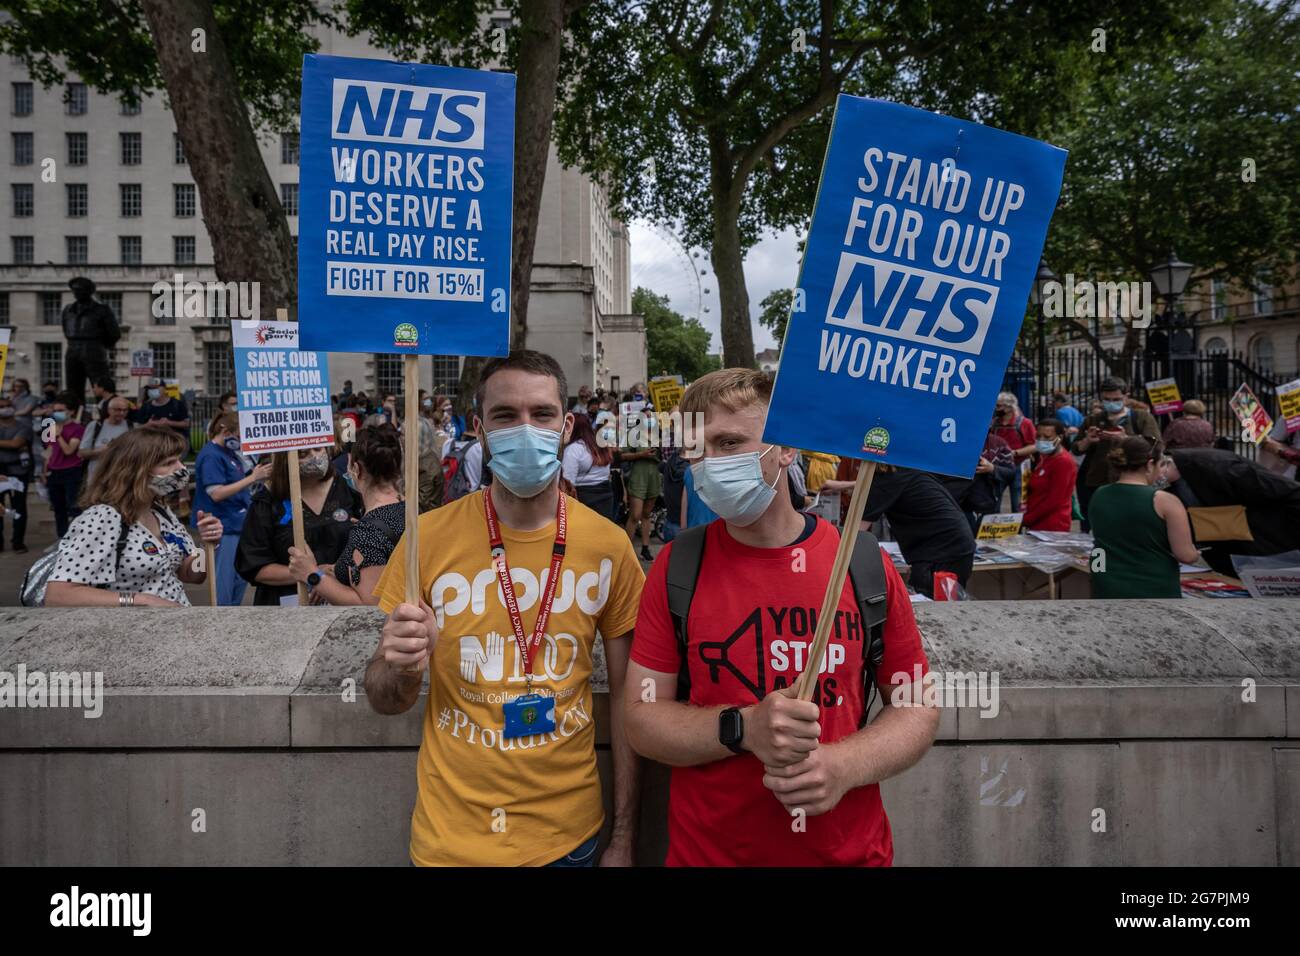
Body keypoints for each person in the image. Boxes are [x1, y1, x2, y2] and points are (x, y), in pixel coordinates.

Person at [623, 367, 937, 866]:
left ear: (787, 448)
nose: (709, 464)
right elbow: (641, 719)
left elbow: (918, 705)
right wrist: (742, 729)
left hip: (849, 854)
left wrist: (843, 765)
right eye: (697, 451)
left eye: (729, 443)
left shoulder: (861, 563)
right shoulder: (677, 566)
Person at [365, 349, 645, 867]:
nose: (525, 428)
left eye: (541, 414)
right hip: (448, 842)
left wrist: (624, 837)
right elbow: (386, 699)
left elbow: (630, 700)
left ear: (565, 426)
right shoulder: (425, 539)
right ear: (480, 428)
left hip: (570, 839)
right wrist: (399, 667)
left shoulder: (609, 546)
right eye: (505, 415)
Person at [45, 427, 222, 607]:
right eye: (169, 463)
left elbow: (192, 576)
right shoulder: (102, 518)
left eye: (178, 460)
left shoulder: (162, 512)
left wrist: (205, 546)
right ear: (135, 471)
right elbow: (58, 595)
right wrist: (140, 600)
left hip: (175, 627)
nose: (181, 468)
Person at [287, 424, 404, 606]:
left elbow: (368, 604)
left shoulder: (369, 532)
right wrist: (336, 570)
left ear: (356, 469)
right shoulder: (408, 508)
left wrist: (311, 574)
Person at [234, 444, 361, 606]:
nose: (314, 457)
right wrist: (311, 574)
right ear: (285, 460)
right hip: (285, 608)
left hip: (342, 601)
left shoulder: (347, 488)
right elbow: (254, 566)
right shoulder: (267, 502)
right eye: (303, 453)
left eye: (318, 449)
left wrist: (335, 573)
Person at [827, 465, 976, 599]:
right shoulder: (900, 471)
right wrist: (840, 486)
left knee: (928, 607)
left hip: (942, 553)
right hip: (952, 546)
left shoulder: (885, 478)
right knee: (934, 603)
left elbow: (854, 533)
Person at [1163, 446, 1300, 577]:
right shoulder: (1167, 487)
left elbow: (1287, 490)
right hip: (1231, 557)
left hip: (1271, 545)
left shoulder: (1217, 466)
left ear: (1152, 465)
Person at [1088, 437, 1198, 599]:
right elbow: (1186, 555)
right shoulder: (1166, 501)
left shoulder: (1099, 494)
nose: (1162, 471)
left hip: (1107, 582)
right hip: (1153, 586)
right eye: (1162, 464)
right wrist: (1196, 553)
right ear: (1149, 464)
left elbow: (1100, 542)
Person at [193, 412, 272, 606]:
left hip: (236, 524)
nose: (240, 440)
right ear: (225, 431)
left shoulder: (229, 454)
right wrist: (253, 477)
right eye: (238, 435)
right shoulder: (211, 455)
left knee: (238, 580)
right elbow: (217, 493)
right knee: (224, 584)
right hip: (223, 526)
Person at [1073, 377, 1161, 530]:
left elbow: (1156, 446)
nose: (1111, 402)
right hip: (1096, 480)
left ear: (1126, 396)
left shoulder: (1141, 417)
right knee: (1094, 522)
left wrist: (1126, 439)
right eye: (1107, 399)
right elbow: (1076, 448)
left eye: (1116, 399)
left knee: (1125, 524)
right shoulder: (1093, 419)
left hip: (1130, 480)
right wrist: (1088, 440)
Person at [61, 276, 121, 403]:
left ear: (89, 291)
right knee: (73, 388)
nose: (76, 293)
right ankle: (76, 418)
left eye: (80, 290)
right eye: (74, 290)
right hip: (72, 349)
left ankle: (104, 416)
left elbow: (114, 333)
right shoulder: (68, 310)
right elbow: (66, 329)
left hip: (93, 349)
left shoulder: (101, 310)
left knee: (102, 386)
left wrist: (100, 346)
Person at [42, 392, 86, 538]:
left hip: (71, 472)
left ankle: (77, 538)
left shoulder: (78, 428)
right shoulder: (50, 426)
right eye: (55, 410)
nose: (56, 413)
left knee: (73, 508)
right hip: (53, 473)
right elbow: (48, 450)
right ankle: (62, 539)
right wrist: (44, 471)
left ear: (71, 411)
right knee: (58, 509)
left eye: (60, 410)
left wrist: (59, 436)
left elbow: (69, 451)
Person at [1023, 418, 1077, 532]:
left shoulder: (1063, 462)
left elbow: (1054, 500)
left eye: (1047, 437)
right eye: (1038, 436)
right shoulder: (1045, 457)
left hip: (1051, 525)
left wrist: (1027, 519)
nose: (1041, 440)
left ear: (1059, 438)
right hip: (1036, 520)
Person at [562, 411, 615, 519]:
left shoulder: (574, 449)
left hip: (585, 500)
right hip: (606, 497)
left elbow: (567, 482)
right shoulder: (601, 445)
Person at [622, 418, 661, 561]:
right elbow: (622, 455)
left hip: (654, 477)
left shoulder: (658, 434)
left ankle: (645, 548)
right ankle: (625, 549)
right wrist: (640, 455)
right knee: (635, 515)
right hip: (638, 477)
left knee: (646, 514)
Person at [991, 392, 1037, 511]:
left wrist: (1015, 453)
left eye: (999, 406)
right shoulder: (994, 423)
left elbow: (1034, 446)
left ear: (1009, 407)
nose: (996, 409)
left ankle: (1019, 527)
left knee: (1019, 501)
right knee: (994, 500)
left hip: (1019, 464)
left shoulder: (1024, 423)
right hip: (999, 465)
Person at [0, 394, 34, 552]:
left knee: (18, 507)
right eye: (1, 407)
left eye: (7, 406)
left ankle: (18, 541)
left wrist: (10, 444)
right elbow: (12, 443)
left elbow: (16, 443)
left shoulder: (23, 427)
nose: (4, 409)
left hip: (18, 472)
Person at [78, 396, 132, 483]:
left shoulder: (130, 426)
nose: (121, 413)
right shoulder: (95, 426)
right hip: (97, 480)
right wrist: (98, 451)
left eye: (125, 410)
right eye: (117, 410)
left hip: (120, 481)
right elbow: (81, 453)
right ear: (109, 410)